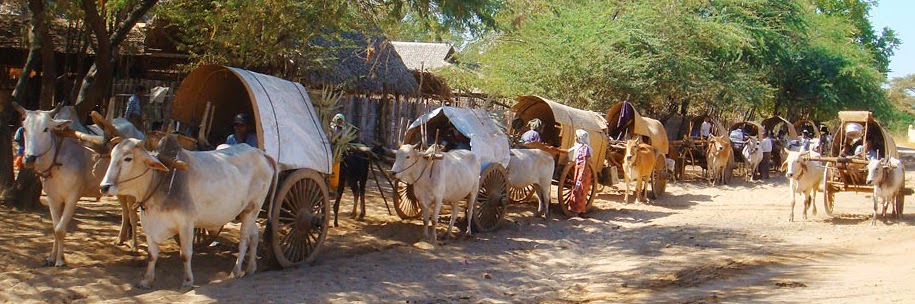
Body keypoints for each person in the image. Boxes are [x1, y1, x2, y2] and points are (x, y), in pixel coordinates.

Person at [567, 129, 592, 217]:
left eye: (576, 136)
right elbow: (568, 151)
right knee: (576, 189)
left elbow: (585, 161)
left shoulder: (585, 148)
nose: (575, 138)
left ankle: (579, 210)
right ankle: (574, 209)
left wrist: (582, 174)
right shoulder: (578, 147)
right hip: (578, 169)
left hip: (583, 170)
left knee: (581, 190)